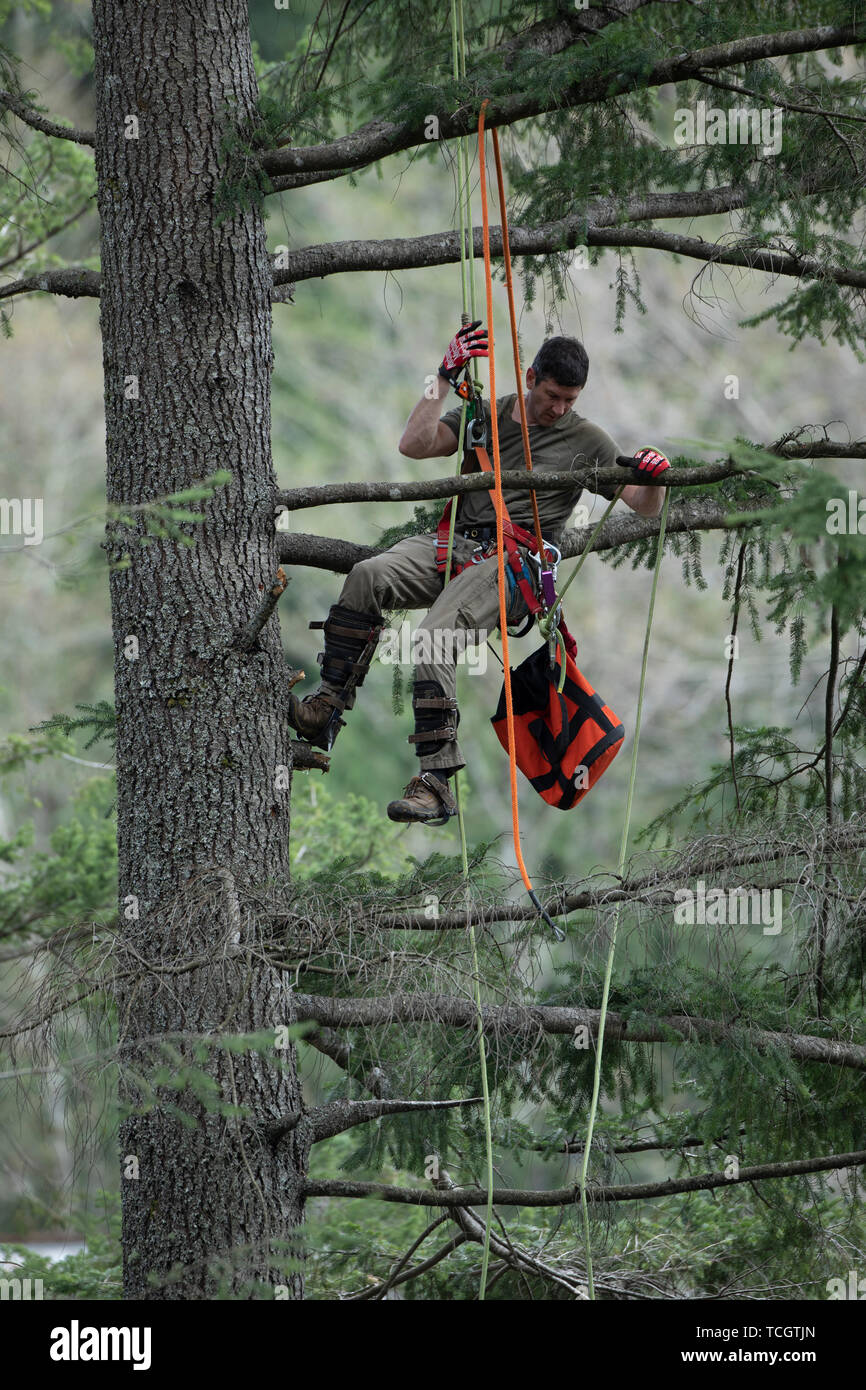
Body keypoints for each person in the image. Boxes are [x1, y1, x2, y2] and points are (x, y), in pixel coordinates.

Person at [288, 327, 669, 825]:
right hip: (456, 546)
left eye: (569, 400)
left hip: (515, 566)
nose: (559, 409)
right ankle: (326, 708)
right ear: (531, 378)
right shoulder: (484, 416)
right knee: (367, 575)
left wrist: (653, 476)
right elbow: (414, 443)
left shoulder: (588, 440)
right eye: (552, 396)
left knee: (432, 639)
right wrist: (442, 378)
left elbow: (643, 509)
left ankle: (436, 782)